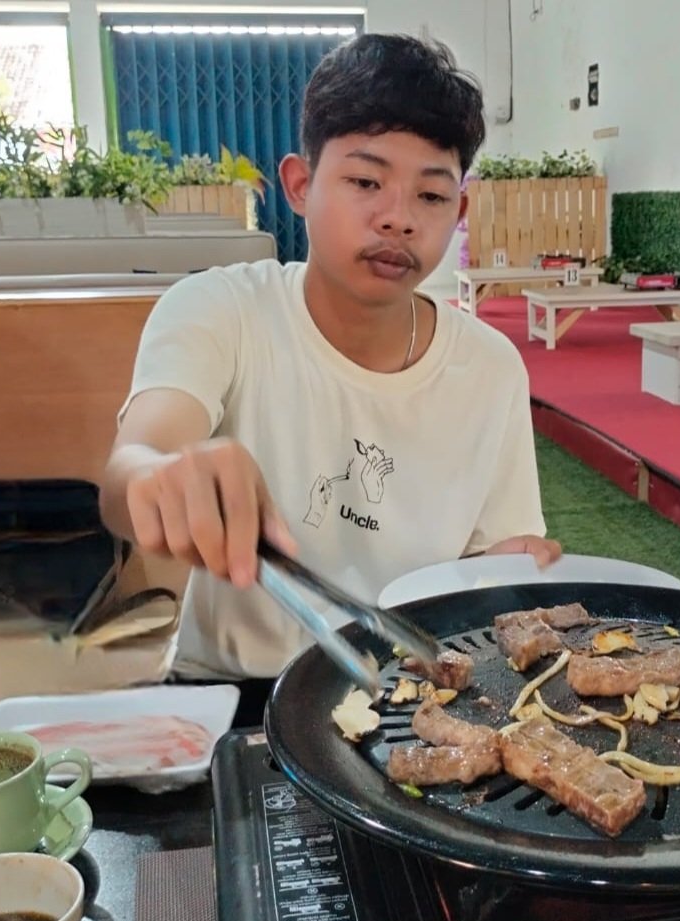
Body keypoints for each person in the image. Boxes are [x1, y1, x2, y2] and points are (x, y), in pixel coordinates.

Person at [100, 33, 560, 716]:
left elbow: (489, 565)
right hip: (231, 693)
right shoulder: (222, 309)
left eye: (431, 196)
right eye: (366, 181)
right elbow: (128, 472)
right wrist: (157, 475)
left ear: (457, 213)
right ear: (299, 184)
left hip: (412, 696)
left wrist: (510, 565)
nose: (398, 218)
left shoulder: (489, 369)